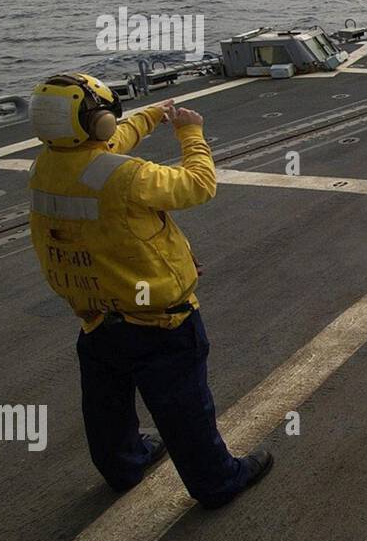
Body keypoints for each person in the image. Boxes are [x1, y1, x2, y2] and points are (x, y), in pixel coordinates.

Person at [27, 73, 272, 510]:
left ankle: (124, 466)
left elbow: (107, 147)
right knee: (185, 409)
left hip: (96, 316)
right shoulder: (127, 177)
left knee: (106, 406)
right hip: (159, 321)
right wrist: (189, 131)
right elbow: (198, 185)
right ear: (98, 121)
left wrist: (149, 116)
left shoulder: (44, 167)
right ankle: (217, 482)